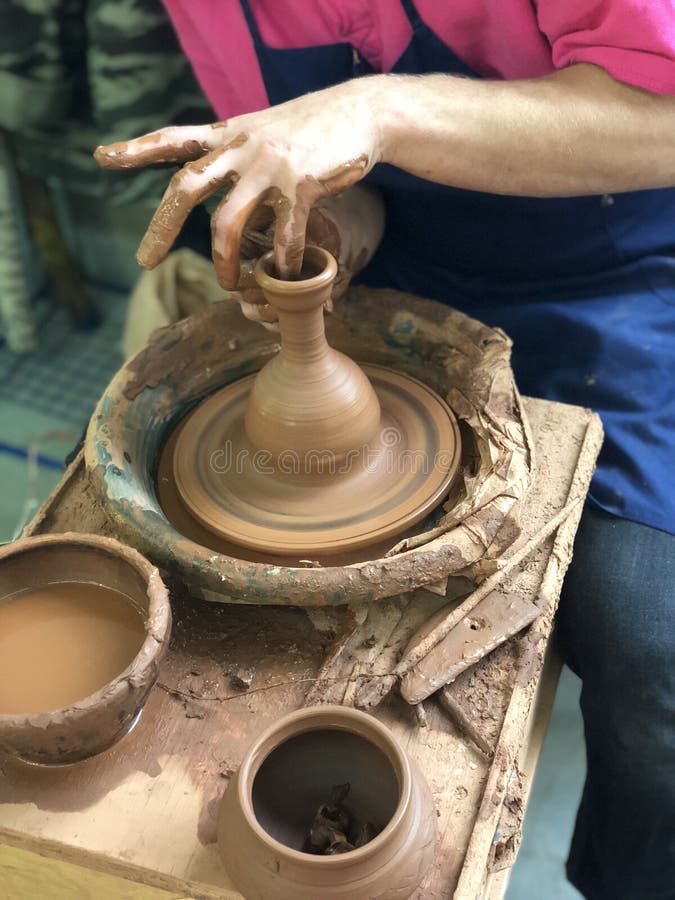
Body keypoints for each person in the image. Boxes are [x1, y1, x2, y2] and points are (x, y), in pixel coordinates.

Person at [95, 3, 675, 897]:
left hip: (619, 275)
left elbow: (660, 120)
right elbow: (345, 183)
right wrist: (322, 228)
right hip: (412, 273)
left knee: (651, 646)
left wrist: (379, 110)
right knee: (201, 622)